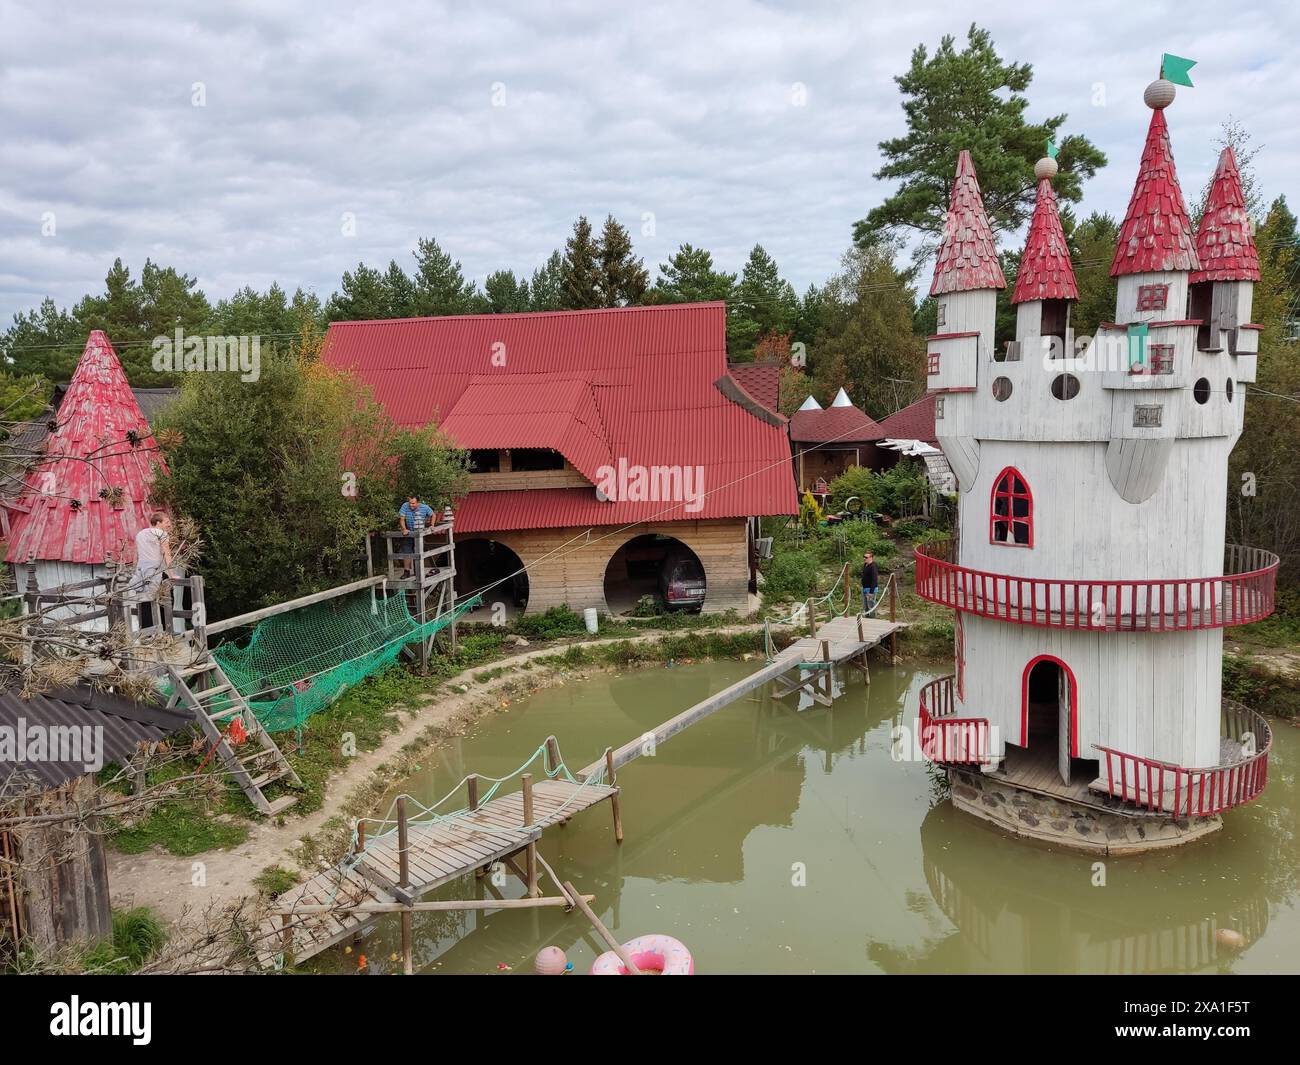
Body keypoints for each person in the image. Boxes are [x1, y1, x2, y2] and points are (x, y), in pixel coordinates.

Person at [132, 513, 173, 631]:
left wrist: (136, 572)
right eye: (166, 522)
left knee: (144, 602)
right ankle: (166, 630)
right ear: (158, 523)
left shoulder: (140, 534)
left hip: (142, 572)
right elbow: (167, 555)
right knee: (167, 598)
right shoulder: (162, 534)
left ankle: (146, 633)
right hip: (155, 572)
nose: (169, 525)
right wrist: (172, 574)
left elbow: (136, 555)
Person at [397, 495, 435, 579]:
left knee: (418, 552)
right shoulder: (405, 506)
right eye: (410, 503)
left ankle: (417, 571)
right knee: (407, 551)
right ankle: (406, 571)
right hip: (409, 532)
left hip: (419, 533)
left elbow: (433, 515)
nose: (411, 505)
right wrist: (404, 529)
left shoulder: (425, 507)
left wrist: (432, 525)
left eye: (413, 503)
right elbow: (402, 519)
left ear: (418, 502)